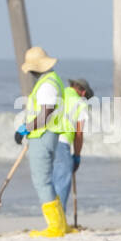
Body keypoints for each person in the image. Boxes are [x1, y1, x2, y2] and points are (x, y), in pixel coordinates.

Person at [14, 46, 68, 238]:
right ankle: (61, 225)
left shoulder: (46, 85)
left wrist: (25, 128)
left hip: (43, 135)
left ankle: (55, 227)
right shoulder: (50, 81)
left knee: (42, 182)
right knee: (46, 181)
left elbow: (46, 114)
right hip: (45, 136)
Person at [51, 78, 91, 218]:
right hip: (61, 143)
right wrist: (77, 156)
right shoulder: (80, 103)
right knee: (62, 182)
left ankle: (52, 220)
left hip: (45, 141)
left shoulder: (57, 93)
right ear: (83, 92)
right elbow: (79, 134)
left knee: (51, 182)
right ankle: (58, 220)